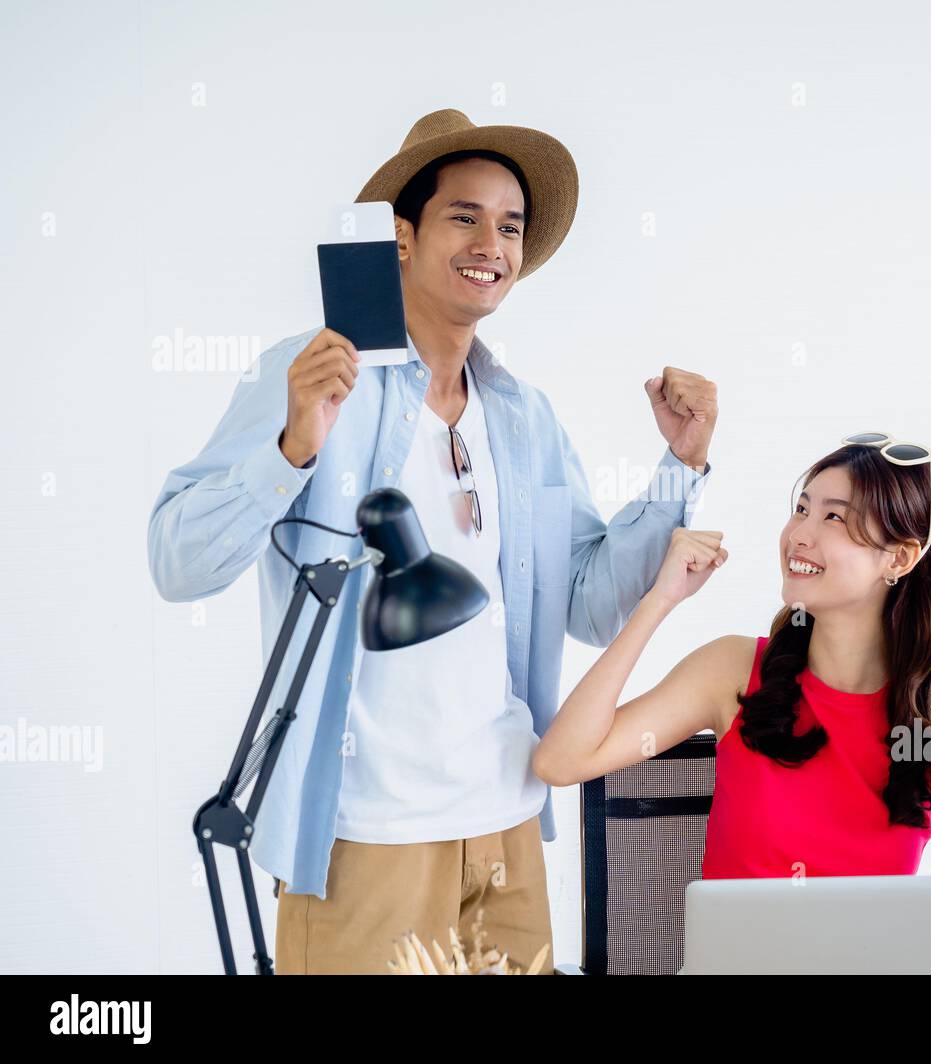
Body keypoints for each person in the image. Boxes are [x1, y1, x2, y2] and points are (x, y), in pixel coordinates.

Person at [147, 109, 719, 973]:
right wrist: (292, 446)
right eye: (464, 216)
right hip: (363, 832)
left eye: (511, 224)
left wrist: (678, 469)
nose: (492, 240)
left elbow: (593, 606)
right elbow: (177, 563)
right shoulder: (312, 376)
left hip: (505, 821)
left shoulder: (523, 417)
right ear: (401, 239)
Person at [533, 434, 931, 879]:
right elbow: (561, 762)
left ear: (901, 558)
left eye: (834, 518)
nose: (799, 535)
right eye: (801, 509)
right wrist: (660, 599)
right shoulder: (731, 672)